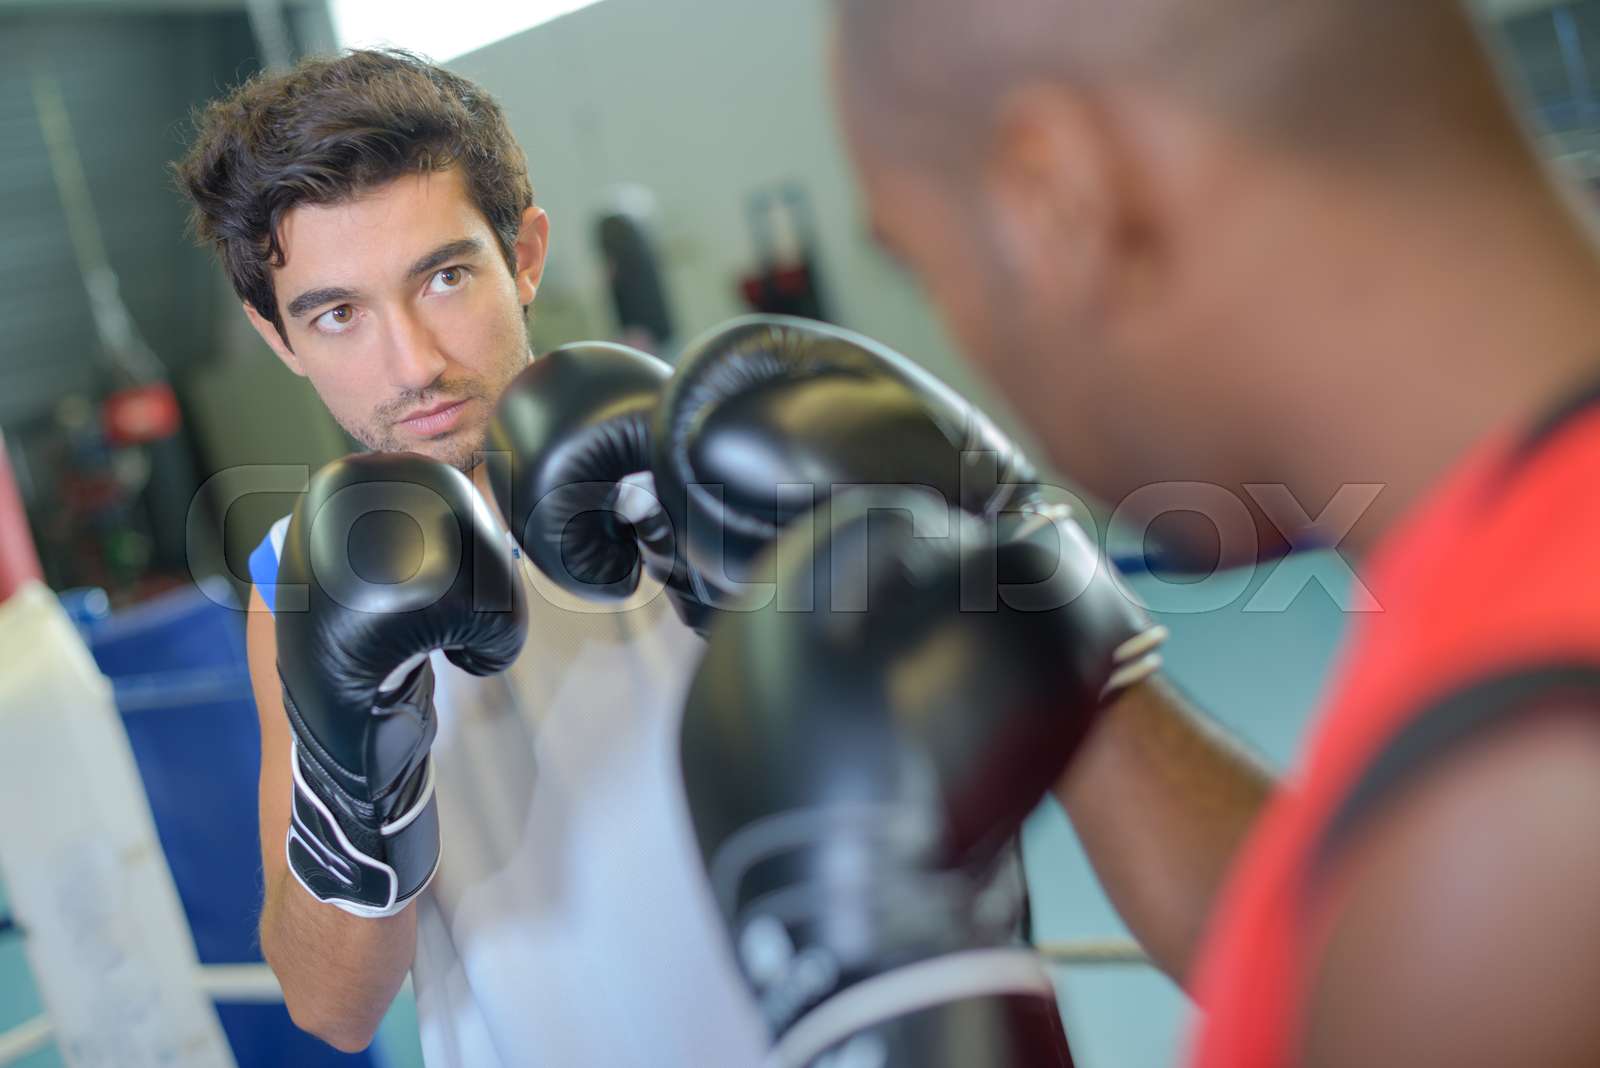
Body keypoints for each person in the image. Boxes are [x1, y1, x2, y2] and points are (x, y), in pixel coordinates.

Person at [830, 0, 1600, 1064]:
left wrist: (868, 1005)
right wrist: (1033, 588)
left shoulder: (1518, 809)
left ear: (1057, 197)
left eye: (919, 259)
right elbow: (1317, 951)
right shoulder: (1511, 633)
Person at [174, 50, 767, 1065]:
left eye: (443, 276)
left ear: (524, 254)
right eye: (337, 313)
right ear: (277, 337)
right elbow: (330, 1004)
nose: (412, 365)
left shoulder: (721, 454)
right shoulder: (298, 581)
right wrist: (354, 788)